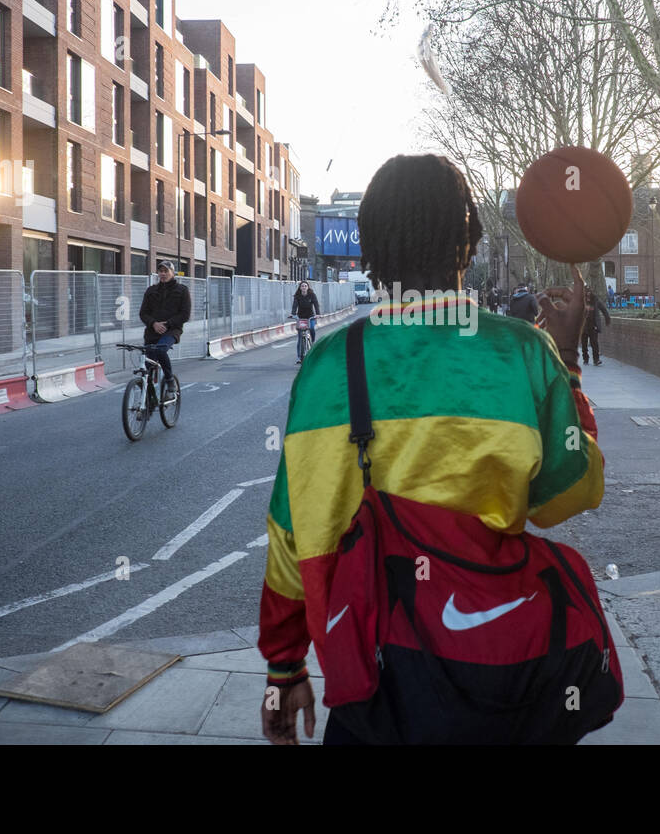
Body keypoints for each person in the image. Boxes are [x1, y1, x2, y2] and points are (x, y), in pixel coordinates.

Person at [258, 153, 604, 745]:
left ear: (368, 247)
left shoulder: (325, 368)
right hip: (500, 679)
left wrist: (284, 666)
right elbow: (572, 492)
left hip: (373, 684)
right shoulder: (523, 353)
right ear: (467, 240)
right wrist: (566, 365)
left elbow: (292, 536)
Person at [139, 260, 191, 388]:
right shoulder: (151, 291)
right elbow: (143, 313)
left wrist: (167, 324)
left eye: (166, 271)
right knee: (148, 364)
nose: (163, 274)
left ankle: (169, 380)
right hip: (152, 331)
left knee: (161, 350)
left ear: (172, 273)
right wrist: (154, 324)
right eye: (160, 271)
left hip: (172, 330)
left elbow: (185, 314)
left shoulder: (182, 290)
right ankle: (148, 398)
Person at [290, 281, 321, 362]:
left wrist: (318, 314)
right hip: (301, 317)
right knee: (300, 337)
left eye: (305, 286)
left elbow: (316, 304)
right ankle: (299, 357)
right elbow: (294, 306)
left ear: (308, 287)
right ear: (300, 288)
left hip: (310, 316)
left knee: (311, 329)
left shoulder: (312, 295)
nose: (304, 287)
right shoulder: (297, 296)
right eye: (302, 286)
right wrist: (293, 314)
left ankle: (313, 341)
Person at [580, 288, 611, 366]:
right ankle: (585, 359)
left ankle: (596, 360)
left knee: (595, 344)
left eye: (590, 292)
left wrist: (607, 318)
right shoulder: (581, 301)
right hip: (583, 326)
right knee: (584, 344)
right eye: (587, 292)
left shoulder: (596, 301)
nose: (588, 294)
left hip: (593, 326)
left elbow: (604, 309)